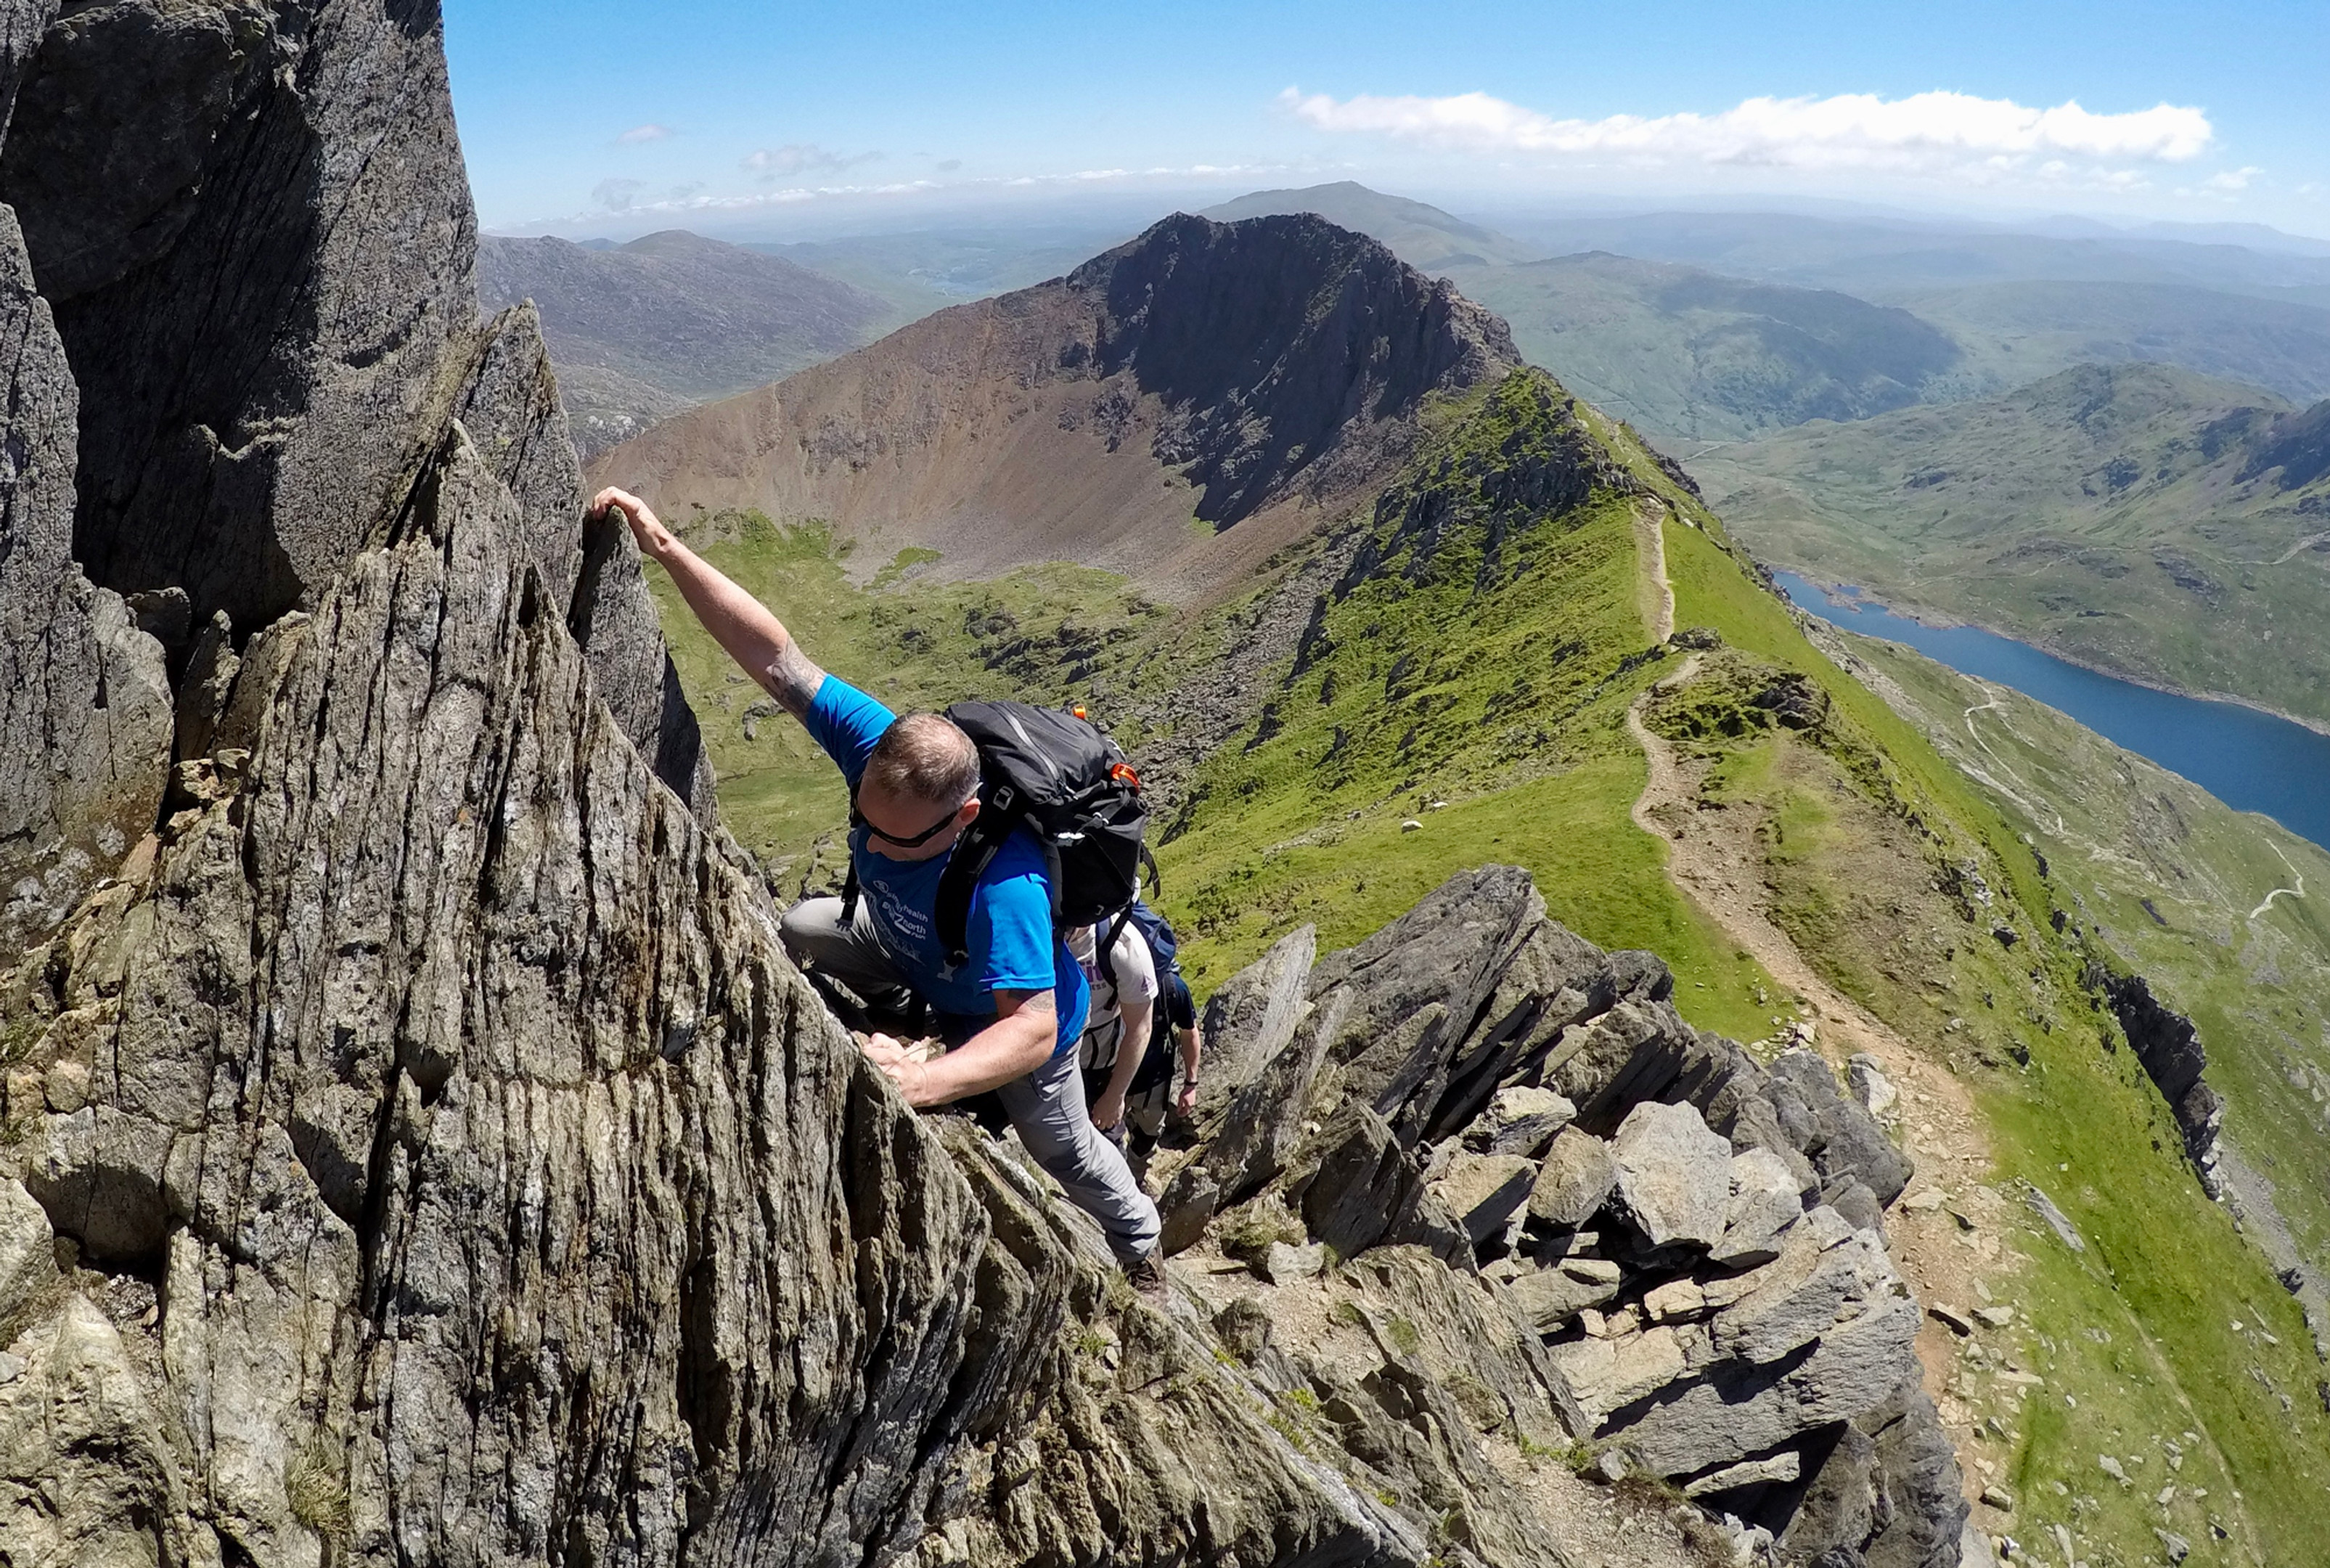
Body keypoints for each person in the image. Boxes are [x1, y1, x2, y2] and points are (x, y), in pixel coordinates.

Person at [592, 486, 1165, 1286]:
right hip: (914, 950)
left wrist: (924, 1080)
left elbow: (1030, 1028)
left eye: (905, 840)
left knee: (1064, 1151)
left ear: (963, 816)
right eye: (869, 823)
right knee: (805, 926)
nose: (881, 849)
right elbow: (775, 659)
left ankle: (1142, 1239)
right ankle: (914, 1017)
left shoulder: (1008, 884)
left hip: (1016, 1016)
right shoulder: (884, 750)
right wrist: (666, 548)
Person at [1074, 908, 1203, 1147]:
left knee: (1143, 1137)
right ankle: (1130, 1169)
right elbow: (1189, 1034)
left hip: (1142, 1079)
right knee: (1115, 1132)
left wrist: (1190, 1085)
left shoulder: (1173, 989)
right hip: (1118, 1076)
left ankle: (1136, 1173)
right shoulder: (1171, 987)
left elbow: (1189, 1033)